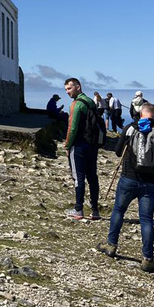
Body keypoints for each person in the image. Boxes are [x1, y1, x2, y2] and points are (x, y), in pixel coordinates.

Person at [95, 103, 154, 273]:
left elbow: (117, 152)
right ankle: (147, 259)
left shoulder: (130, 128)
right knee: (146, 219)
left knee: (119, 211)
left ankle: (111, 245)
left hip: (128, 179)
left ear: (139, 114)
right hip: (150, 183)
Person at [63, 77, 100, 221]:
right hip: (92, 144)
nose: (67, 92)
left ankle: (78, 209)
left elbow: (72, 127)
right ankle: (95, 210)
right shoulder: (90, 102)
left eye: (69, 88)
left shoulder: (76, 105)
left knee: (78, 177)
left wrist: (67, 145)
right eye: (66, 89)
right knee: (92, 176)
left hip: (79, 144)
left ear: (78, 87)